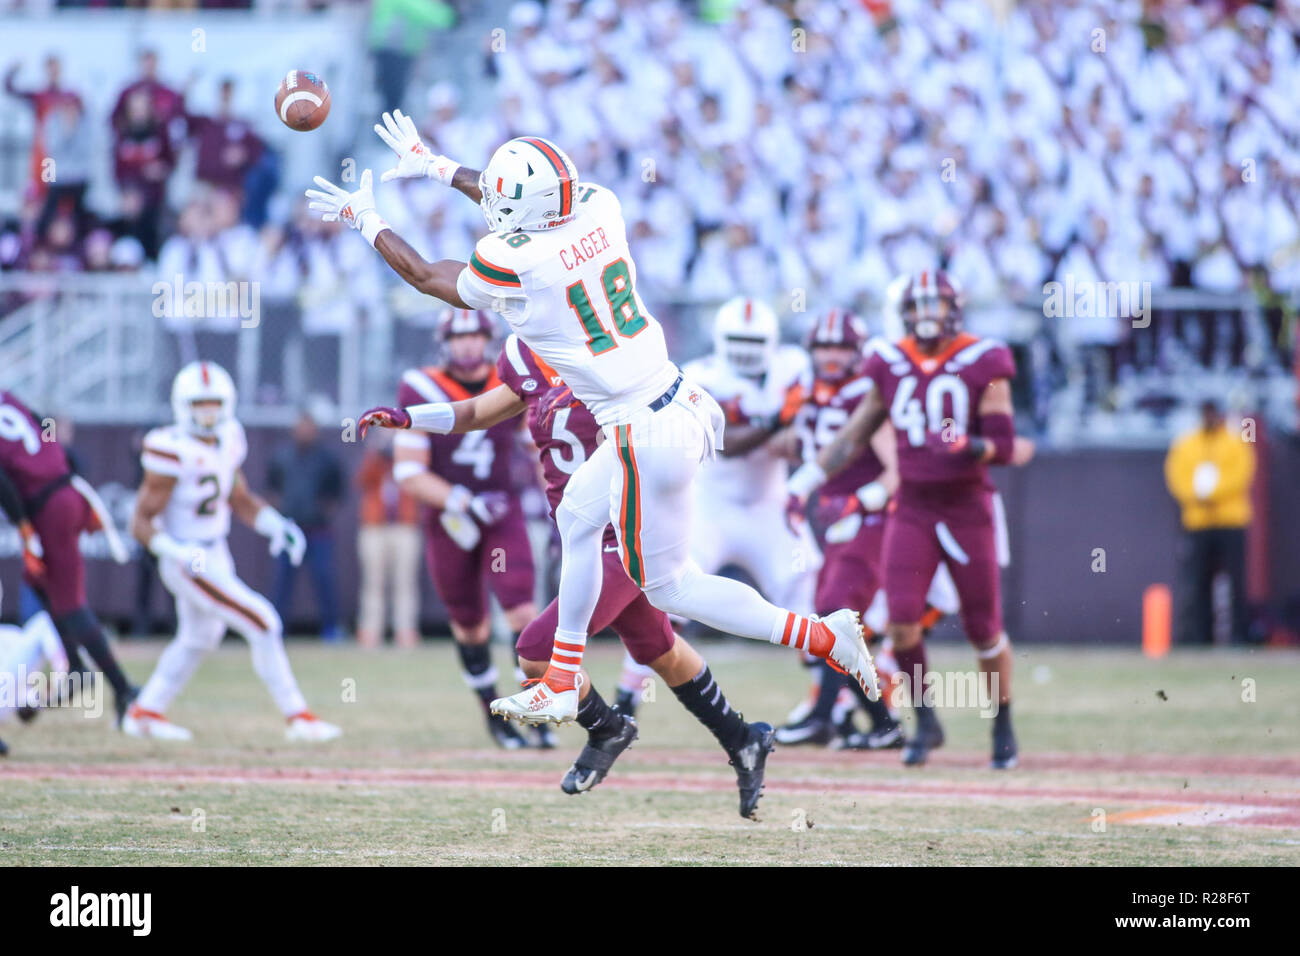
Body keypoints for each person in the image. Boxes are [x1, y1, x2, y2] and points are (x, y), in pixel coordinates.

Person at [306, 114, 878, 730]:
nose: (494, 205)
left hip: (642, 433)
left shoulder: (519, 262)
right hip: (675, 399)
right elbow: (519, 204)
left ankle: (823, 637)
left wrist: (366, 219)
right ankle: (560, 678)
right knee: (578, 514)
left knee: (671, 588)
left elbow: (428, 276)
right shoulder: (600, 208)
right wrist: (438, 166)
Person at [360, 332, 777, 817]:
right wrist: (412, 418)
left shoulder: (615, 342)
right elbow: (474, 413)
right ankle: (745, 741)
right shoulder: (521, 353)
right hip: (583, 534)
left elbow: (666, 412)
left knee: (537, 653)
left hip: (625, 531)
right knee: (659, 650)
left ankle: (607, 728)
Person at [788, 271, 1034, 769]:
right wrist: (806, 480)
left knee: (983, 629)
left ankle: (1002, 721)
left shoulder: (984, 358)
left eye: (934, 309)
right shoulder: (889, 361)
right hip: (914, 508)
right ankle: (924, 723)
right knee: (900, 624)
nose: (926, 320)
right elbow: (857, 434)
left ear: (953, 310)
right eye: (917, 310)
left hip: (967, 507)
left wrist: (969, 445)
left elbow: (1006, 445)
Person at [125, 362, 341, 742]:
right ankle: (299, 717)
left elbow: (237, 497)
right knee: (264, 622)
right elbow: (139, 522)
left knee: (199, 638)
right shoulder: (169, 449)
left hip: (216, 549)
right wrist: (169, 550)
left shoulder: (229, 438)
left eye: (214, 404)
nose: (208, 414)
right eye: (199, 405)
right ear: (182, 406)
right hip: (189, 557)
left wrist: (275, 524)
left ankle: (144, 712)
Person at [390, 309, 540, 749]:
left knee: (521, 611)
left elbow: (535, 441)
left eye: (476, 335)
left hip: (501, 509)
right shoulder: (420, 385)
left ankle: (534, 708)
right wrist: (464, 501)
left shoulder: (508, 376)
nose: (469, 345)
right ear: (445, 343)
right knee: (470, 624)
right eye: (460, 338)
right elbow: (409, 472)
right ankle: (493, 714)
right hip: (450, 517)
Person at [0, 390, 137, 725]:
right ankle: (76, 665)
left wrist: (23, 525)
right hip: (63, 491)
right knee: (40, 581)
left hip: (49, 507)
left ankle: (123, 687)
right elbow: (44, 424)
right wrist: (57, 461)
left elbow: (2, 481)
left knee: (70, 604)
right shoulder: (8, 399)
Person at [681, 296, 819, 617]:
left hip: (769, 504)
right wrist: (776, 422)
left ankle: (823, 667)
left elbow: (799, 442)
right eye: (737, 340)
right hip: (708, 505)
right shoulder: (699, 377)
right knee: (673, 589)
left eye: (754, 340)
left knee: (803, 594)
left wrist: (776, 431)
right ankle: (640, 668)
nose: (746, 348)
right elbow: (723, 443)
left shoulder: (793, 366)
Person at [1163, 400, 1256, 645]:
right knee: (1197, 581)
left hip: (1231, 519)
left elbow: (1242, 474)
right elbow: (1176, 477)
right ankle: (1199, 638)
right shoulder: (1187, 444)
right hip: (1198, 521)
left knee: (1236, 580)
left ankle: (1238, 637)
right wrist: (1196, 496)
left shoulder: (1235, 442)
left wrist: (1214, 493)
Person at [267, 408, 345, 641]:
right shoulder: (282, 456)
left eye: (308, 427)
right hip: (289, 530)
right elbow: (272, 487)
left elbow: (337, 490)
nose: (304, 432)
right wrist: (280, 512)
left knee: (324, 579)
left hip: (317, 530)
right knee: (282, 582)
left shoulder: (326, 458)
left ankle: (331, 628)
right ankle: (276, 629)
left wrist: (323, 511)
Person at [354, 434, 421, 649]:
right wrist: (377, 453)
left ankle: (405, 630)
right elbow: (362, 480)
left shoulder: (409, 458)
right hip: (375, 526)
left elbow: (419, 481)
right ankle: (371, 630)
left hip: (404, 525)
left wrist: (400, 454)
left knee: (405, 581)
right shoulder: (374, 459)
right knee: (373, 581)